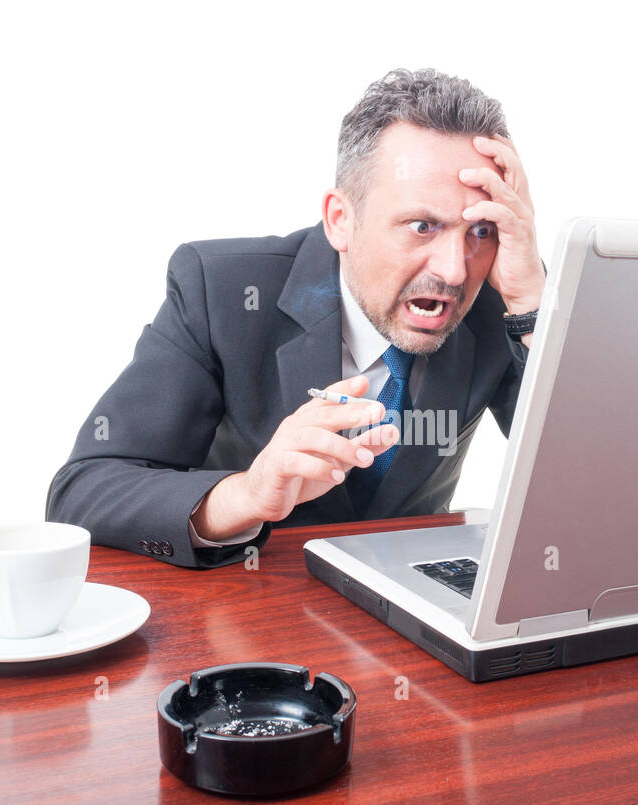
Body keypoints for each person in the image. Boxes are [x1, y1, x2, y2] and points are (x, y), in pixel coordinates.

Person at [45, 67, 545, 568]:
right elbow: (84, 492)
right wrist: (246, 495)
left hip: (415, 608)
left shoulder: (505, 300)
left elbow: (593, 480)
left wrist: (533, 311)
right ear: (340, 220)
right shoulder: (220, 292)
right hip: (250, 602)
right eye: (421, 226)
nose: (455, 270)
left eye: (481, 229)